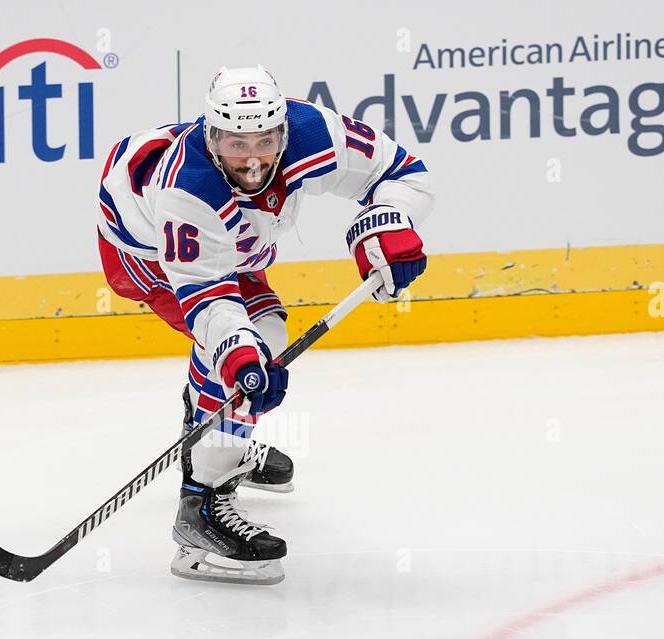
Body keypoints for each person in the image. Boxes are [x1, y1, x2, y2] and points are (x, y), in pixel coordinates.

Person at [96, 65, 434, 584]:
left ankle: (210, 434)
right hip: (145, 251)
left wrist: (386, 226)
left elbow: (403, 173)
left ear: (283, 130)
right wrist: (239, 357)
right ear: (211, 138)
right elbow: (207, 297)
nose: (253, 159)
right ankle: (201, 506)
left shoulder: (311, 132)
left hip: (231, 242)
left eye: (265, 140)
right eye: (236, 143)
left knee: (253, 347)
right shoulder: (188, 191)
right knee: (251, 346)